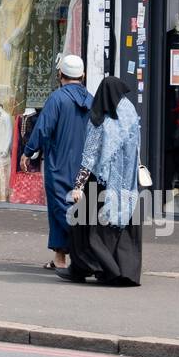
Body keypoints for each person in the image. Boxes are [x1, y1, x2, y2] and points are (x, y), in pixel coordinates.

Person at [63, 76, 144, 285]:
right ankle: (125, 272)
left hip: (101, 182)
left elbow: (89, 155)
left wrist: (78, 186)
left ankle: (88, 268)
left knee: (82, 224)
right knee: (123, 229)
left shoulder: (99, 118)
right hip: (128, 183)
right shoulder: (130, 113)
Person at [22, 54, 92, 271]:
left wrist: (28, 152)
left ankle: (86, 251)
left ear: (60, 74)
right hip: (84, 165)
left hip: (58, 162)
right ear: (83, 75)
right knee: (72, 207)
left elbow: (43, 129)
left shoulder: (57, 98)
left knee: (60, 209)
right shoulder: (91, 99)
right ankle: (60, 258)